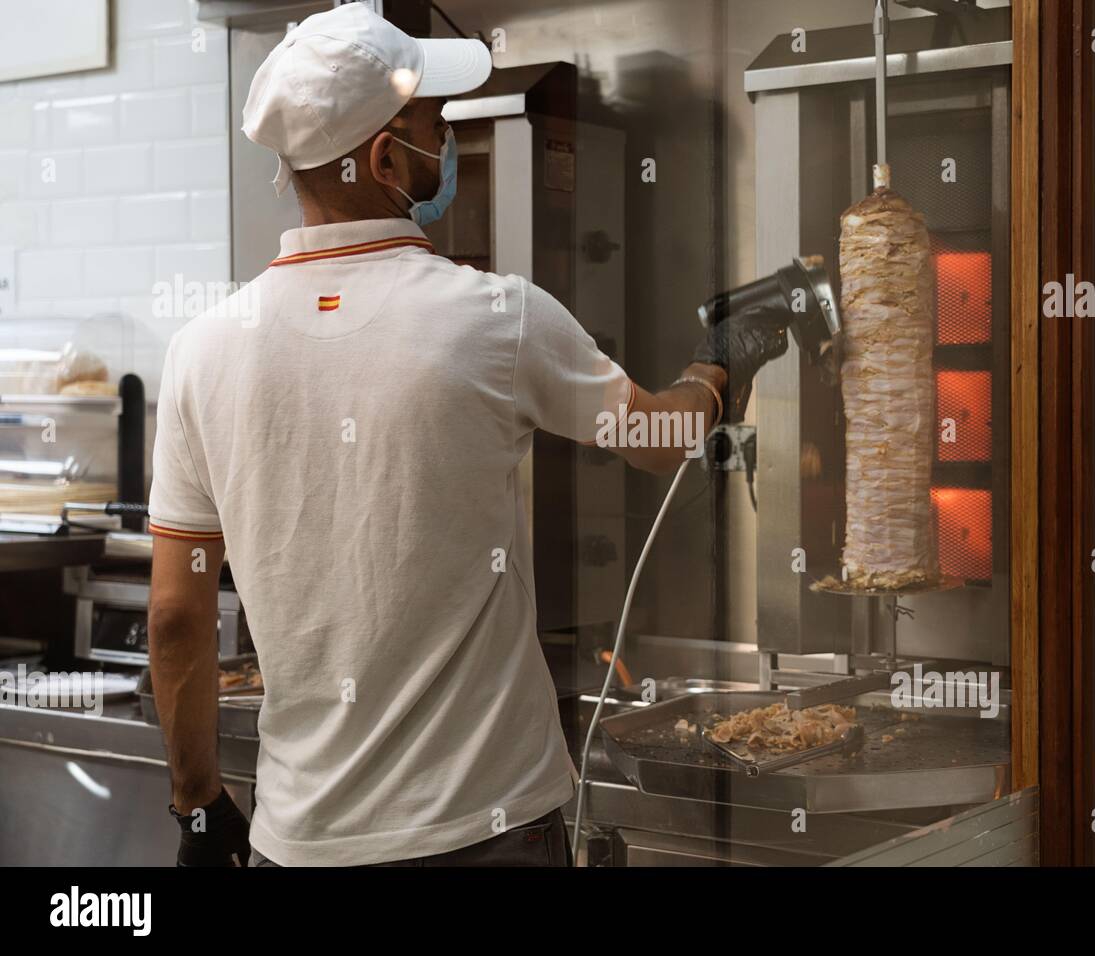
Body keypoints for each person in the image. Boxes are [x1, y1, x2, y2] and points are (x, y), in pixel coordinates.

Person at [150, 2, 787, 867]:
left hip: (298, 841)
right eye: (433, 125)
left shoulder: (199, 351)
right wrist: (720, 362)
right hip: (488, 829)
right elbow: (660, 437)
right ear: (382, 158)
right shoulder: (494, 317)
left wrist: (198, 805)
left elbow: (176, 618)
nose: (445, 142)